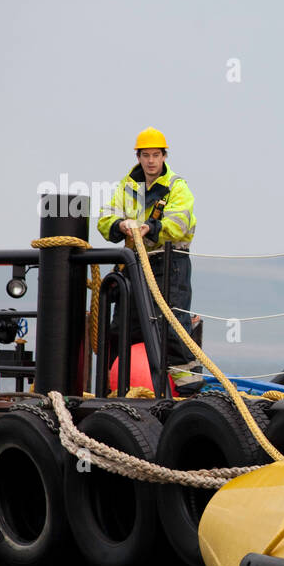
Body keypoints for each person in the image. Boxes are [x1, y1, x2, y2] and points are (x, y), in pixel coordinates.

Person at [97, 127, 202, 393]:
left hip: (170, 264)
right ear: (139, 156)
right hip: (133, 263)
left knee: (171, 324)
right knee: (122, 327)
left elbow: (179, 222)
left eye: (156, 155)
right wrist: (120, 225)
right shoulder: (126, 186)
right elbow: (104, 218)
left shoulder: (177, 187)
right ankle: (113, 387)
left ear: (164, 156)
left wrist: (150, 229)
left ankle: (188, 391)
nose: (151, 161)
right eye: (146, 155)